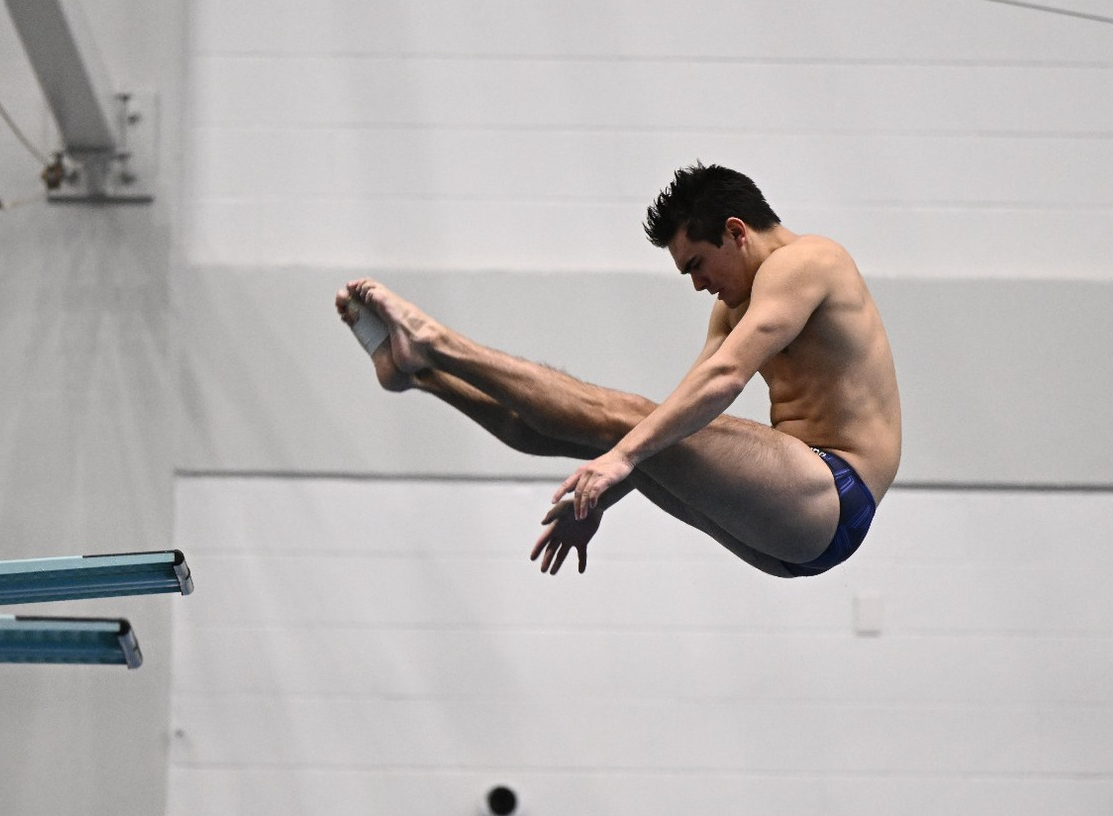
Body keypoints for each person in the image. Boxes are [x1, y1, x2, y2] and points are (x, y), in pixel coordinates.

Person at [337, 163, 902, 577]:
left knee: (624, 429)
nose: (698, 283)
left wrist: (623, 458)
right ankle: (423, 374)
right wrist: (600, 496)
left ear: (736, 230)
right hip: (787, 533)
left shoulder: (808, 262)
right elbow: (680, 413)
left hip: (836, 490)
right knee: (609, 430)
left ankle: (437, 343)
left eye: (698, 264)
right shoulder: (733, 307)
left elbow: (725, 379)